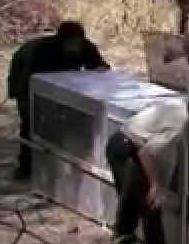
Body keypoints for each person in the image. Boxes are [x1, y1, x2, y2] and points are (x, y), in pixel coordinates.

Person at [105, 68, 189, 244]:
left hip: (128, 142)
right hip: (126, 148)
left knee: (132, 198)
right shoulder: (179, 125)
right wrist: (156, 184)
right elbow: (146, 151)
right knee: (149, 200)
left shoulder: (182, 105)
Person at [7, 21, 111, 180]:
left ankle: (58, 164)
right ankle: (25, 167)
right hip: (24, 77)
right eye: (72, 43)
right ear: (62, 40)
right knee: (31, 122)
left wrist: (99, 73)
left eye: (79, 42)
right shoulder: (42, 51)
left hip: (58, 86)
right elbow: (29, 80)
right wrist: (29, 104)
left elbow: (101, 68)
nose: (76, 47)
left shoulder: (86, 47)